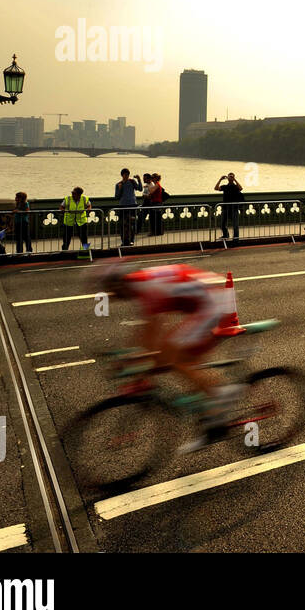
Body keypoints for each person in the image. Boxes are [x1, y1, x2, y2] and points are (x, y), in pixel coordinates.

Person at [99, 261, 243, 451]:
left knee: (173, 355)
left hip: (212, 304)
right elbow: (145, 332)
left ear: (118, 284)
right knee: (177, 357)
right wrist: (134, 357)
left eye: (109, 291)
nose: (110, 296)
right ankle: (213, 422)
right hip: (206, 302)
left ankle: (221, 393)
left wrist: (138, 368)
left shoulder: (144, 287)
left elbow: (151, 332)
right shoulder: (140, 284)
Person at [114, 168, 141, 246]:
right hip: (123, 206)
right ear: (122, 175)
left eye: (127, 175)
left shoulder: (132, 182)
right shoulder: (118, 184)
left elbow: (139, 189)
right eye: (125, 175)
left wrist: (139, 180)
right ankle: (124, 241)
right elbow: (117, 197)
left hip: (132, 205)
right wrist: (119, 189)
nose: (126, 176)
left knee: (132, 224)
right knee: (123, 224)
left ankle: (131, 240)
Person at [59, 186, 91, 251]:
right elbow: (61, 207)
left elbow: (89, 205)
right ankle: (64, 251)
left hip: (81, 221)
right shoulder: (68, 199)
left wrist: (88, 209)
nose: (72, 194)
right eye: (72, 193)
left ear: (79, 195)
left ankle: (85, 251)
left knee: (84, 238)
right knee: (66, 239)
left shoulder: (84, 199)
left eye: (74, 193)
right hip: (69, 221)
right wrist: (62, 210)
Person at [214, 173, 245, 241]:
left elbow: (241, 188)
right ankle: (226, 234)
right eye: (229, 177)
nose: (230, 178)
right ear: (227, 178)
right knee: (222, 224)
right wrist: (220, 179)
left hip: (234, 208)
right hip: (225, 208)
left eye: (232, 177)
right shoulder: (225, 187)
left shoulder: (235, 187)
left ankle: (236, 238)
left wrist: (235, 180)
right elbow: (216, 188)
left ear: (234, 178)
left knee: (235, 225)